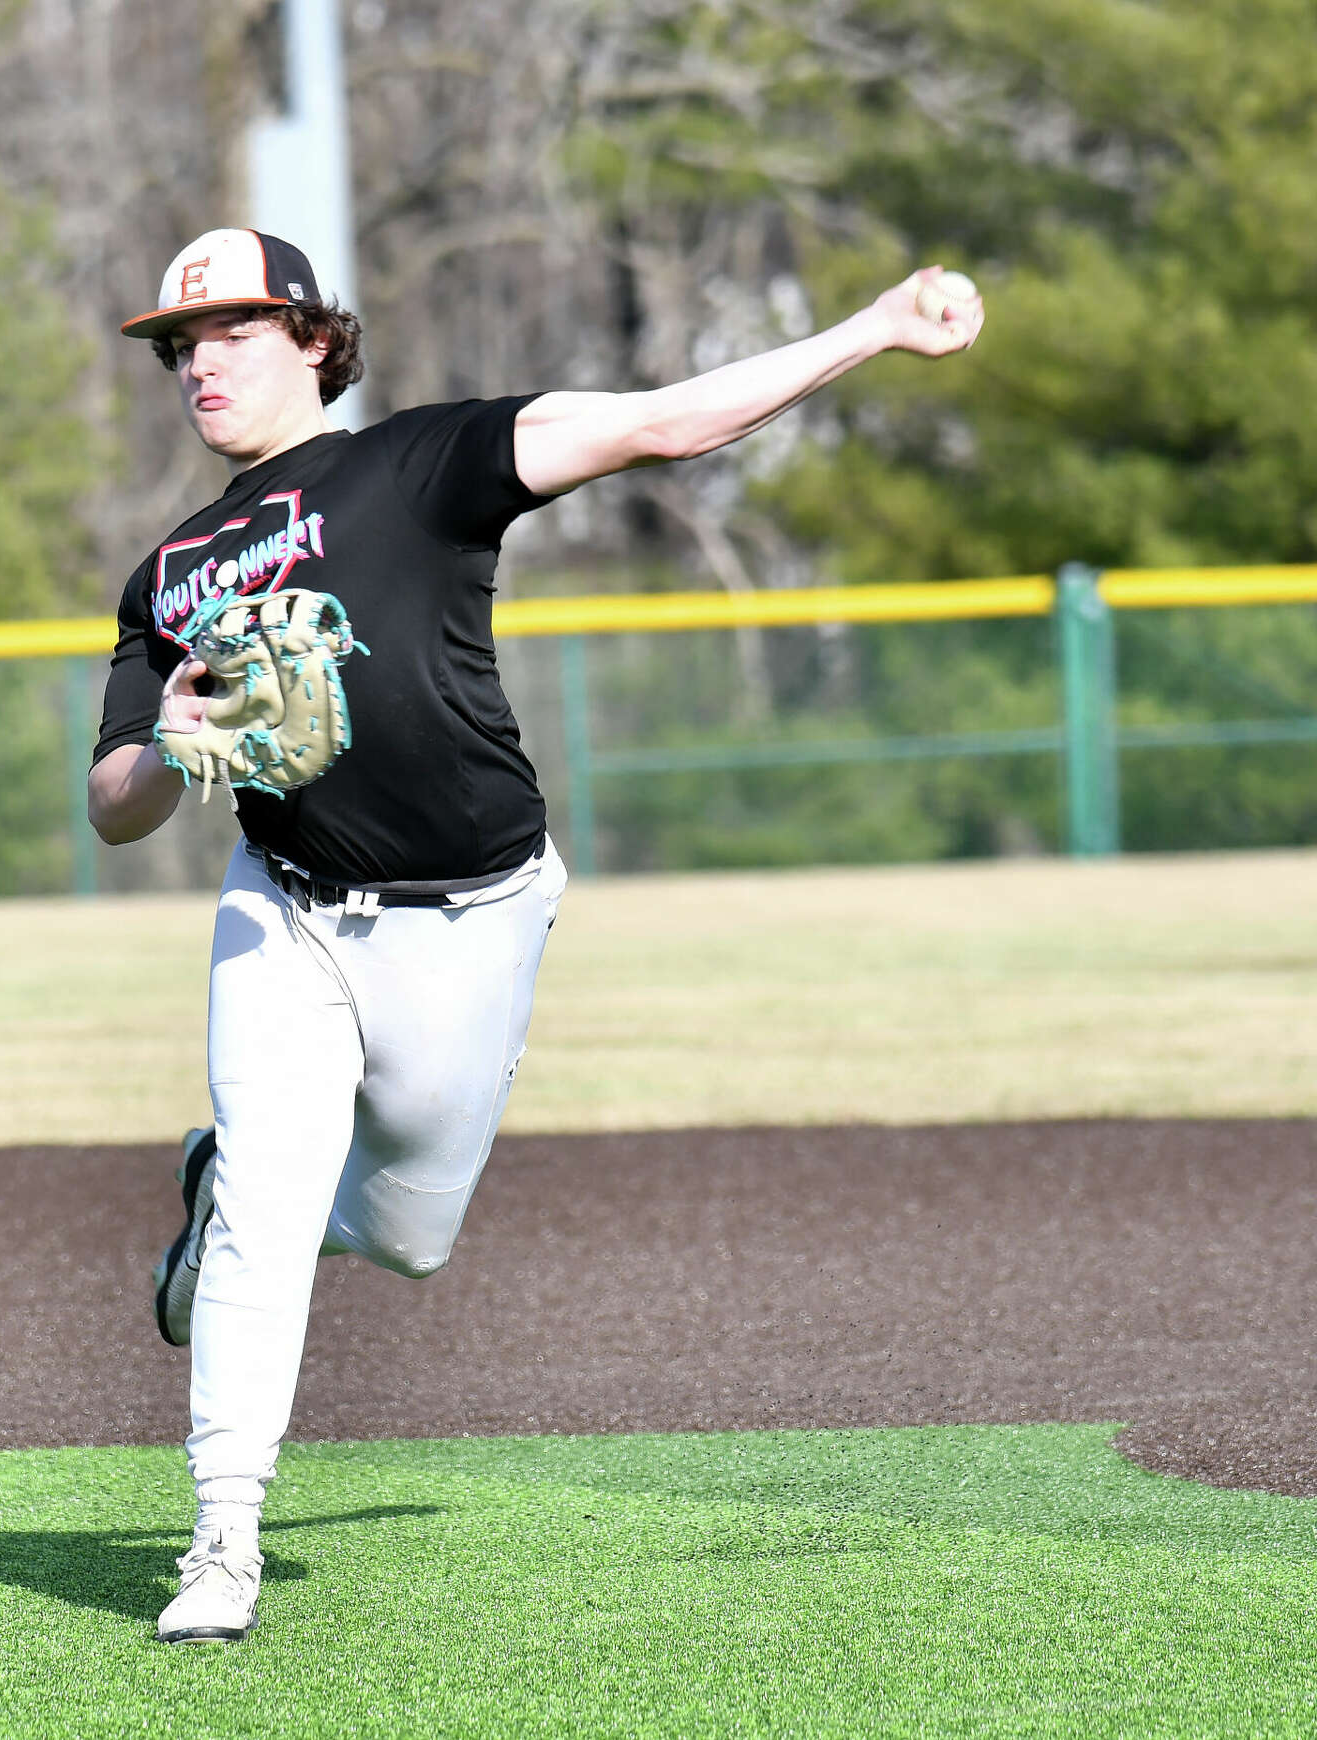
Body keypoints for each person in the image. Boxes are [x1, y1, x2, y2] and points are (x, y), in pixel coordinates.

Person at [89, 227, 982, 1644]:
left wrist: (870, 327)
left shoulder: (420, 464)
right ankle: (221, 1538)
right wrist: (174, 743)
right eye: (182, 344)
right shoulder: (168, 574)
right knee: (271, 1205)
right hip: (285, 904)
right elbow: (115, 805)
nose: (203, 362)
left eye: (237, 331)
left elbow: (662, 424)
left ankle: (225, 1197)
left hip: (473, 908)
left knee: (409, 1239)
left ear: (316, 339)